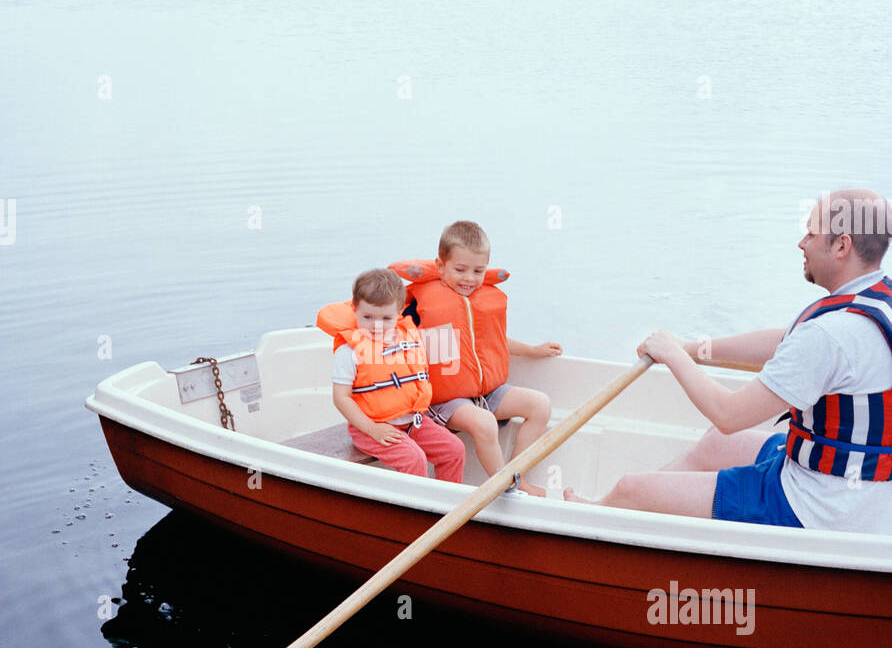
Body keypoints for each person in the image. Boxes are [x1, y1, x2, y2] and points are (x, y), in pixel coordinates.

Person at [562, 188, 892, 533]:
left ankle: (591, 522)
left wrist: (672, 355)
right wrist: (691, 348)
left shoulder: (830, 334)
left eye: (811, 233)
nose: (801, 243)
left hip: (817, 506)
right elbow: (785, 341)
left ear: (841, 246)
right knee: (718, 445)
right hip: (860, 492)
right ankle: (633, 511)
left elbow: (729, 415)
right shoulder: (874, 299)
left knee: (631, 487)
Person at [390, 221, 561, 497]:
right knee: (485, 423)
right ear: (441, 265)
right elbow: (396, 346)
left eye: (478, 271)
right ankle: (504, 487)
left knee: (540, 405)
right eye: (460, 270)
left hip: (487, 393)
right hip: (446, 401)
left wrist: (532, 351)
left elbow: (494, 341)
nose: (469, 278)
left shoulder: (482, 299)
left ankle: (519, 475)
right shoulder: (420, 307)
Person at [317, 267, 466, 482]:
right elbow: (341, 397)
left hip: (414, 422)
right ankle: (416, 512)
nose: (377, 326)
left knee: (454, 449)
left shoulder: (407, 338)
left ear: (399, 314)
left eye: (386, 318)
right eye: (368, 317)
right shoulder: (348, 351)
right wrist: (372, 428)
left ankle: (450, 506)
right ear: (355, 309)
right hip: (370, 428)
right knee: (413, 458)